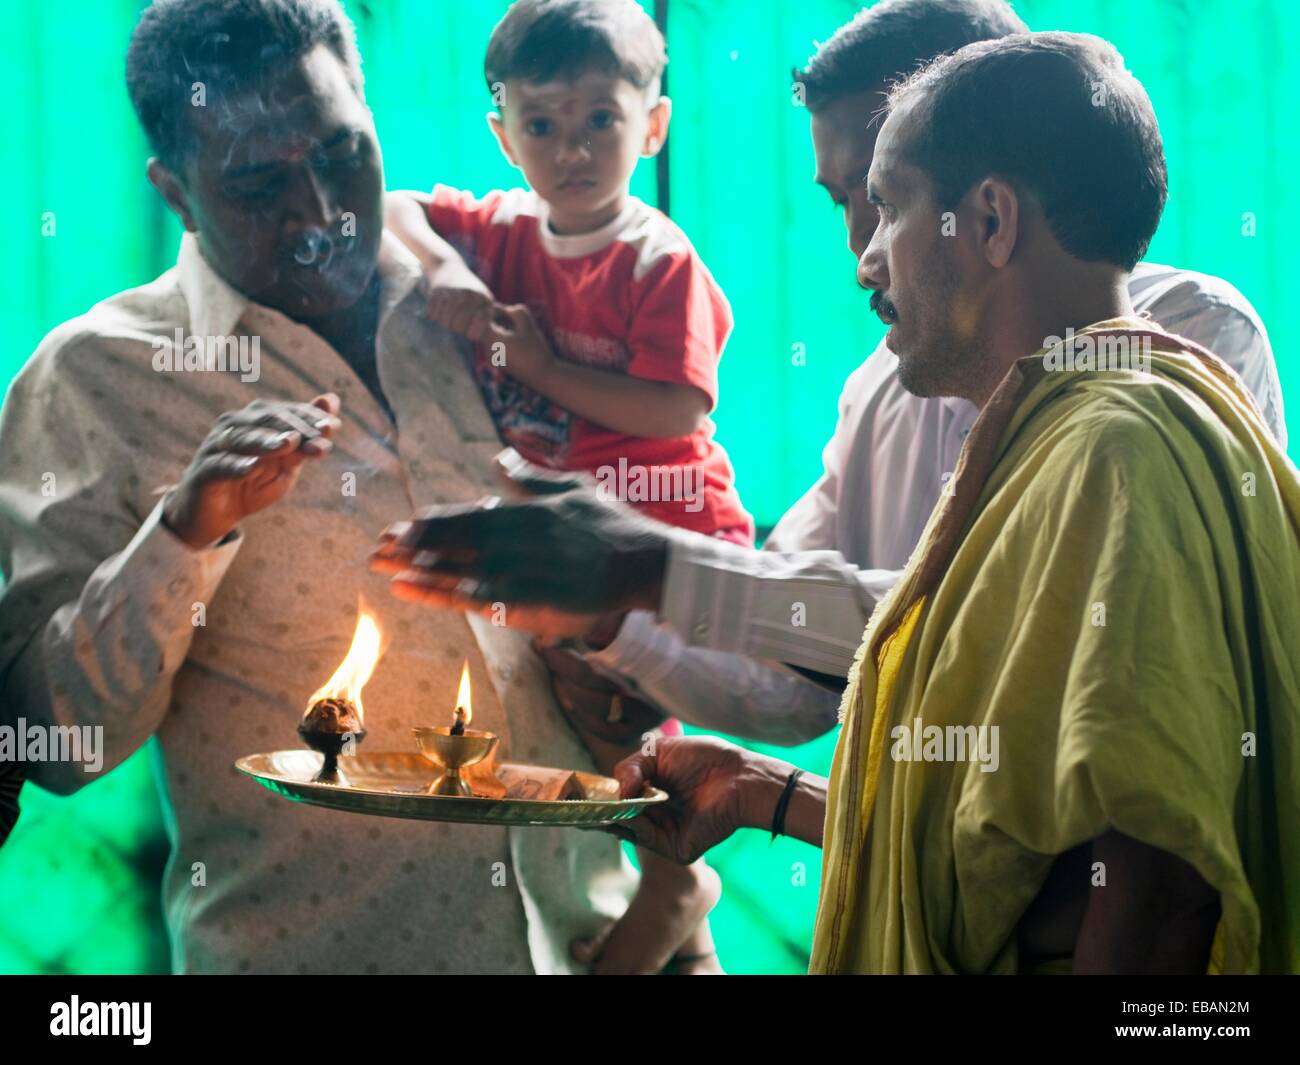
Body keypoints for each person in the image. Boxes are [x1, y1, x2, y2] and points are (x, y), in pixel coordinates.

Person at [376, 28, 1300, 975]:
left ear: (988, 218)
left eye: (888, 203)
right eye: (843, 204)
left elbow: (1156, 867)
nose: (862, 255)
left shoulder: (1127, 432)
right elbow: (985, 806)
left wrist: (650, 566)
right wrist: (756, 783)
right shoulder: (1022, 427)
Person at [0, 0, 708, 975]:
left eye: (343, 152)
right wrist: (181, 536)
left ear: (372, 116)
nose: (319, 211)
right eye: (257, 184)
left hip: (615, 936)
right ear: (174, 189)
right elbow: (49, 743)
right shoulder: (98, 380)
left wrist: (626, 676)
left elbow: (654, 513)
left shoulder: (496, 299)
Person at [384, 0, 753, 544]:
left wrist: (543, 369)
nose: (572, 151)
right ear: (505, 139)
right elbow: (392, 207)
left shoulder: (657, 262)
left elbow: (677, 410)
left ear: (652, 128)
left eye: (600, 120)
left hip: (675, 537)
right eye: (540, 125)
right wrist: (443, 268)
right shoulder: (500, 226)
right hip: (569, 537)